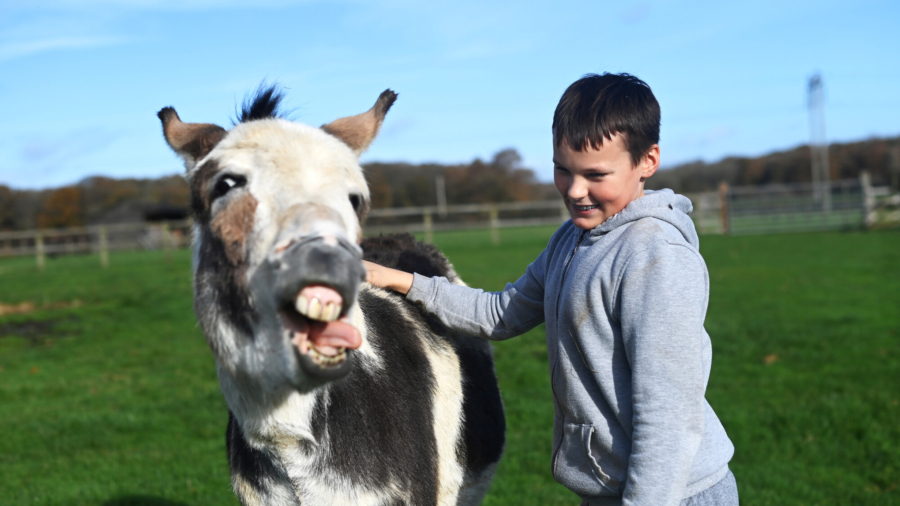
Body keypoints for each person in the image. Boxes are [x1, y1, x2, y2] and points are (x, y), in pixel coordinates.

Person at [364, 73, 737, 506]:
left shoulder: (656, 256)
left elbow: (668, 416)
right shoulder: (570, 239)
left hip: (673, 493)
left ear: (648, 161)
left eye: (596, 175)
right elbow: (500, 313)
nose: (575, 191)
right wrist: (400, 280)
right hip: (611, 489)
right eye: (563, 170)